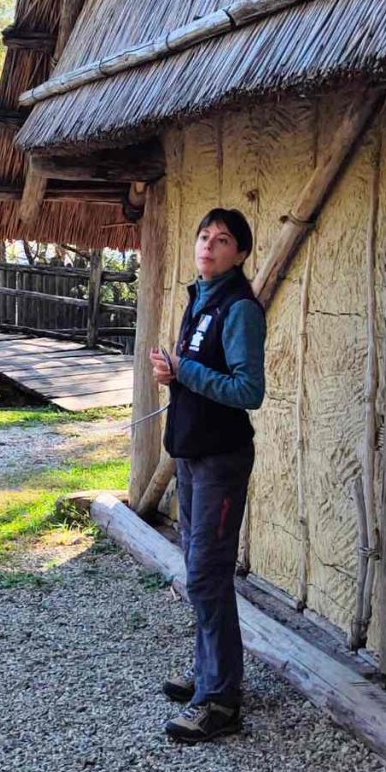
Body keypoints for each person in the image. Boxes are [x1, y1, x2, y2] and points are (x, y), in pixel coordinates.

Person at [150, 207, 265, 744]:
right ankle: (213, 673)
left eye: (222, 241)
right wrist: (172, 375)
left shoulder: (239, 308)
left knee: (206, 573)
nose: (209, 246)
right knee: (200, 567)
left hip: (221, 457)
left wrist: (185, 371)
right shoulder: (200, 299)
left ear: (239, 254)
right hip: (194, 453)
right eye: (203, 236)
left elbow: (248, 391)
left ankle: (220, 700)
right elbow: (195, 375)